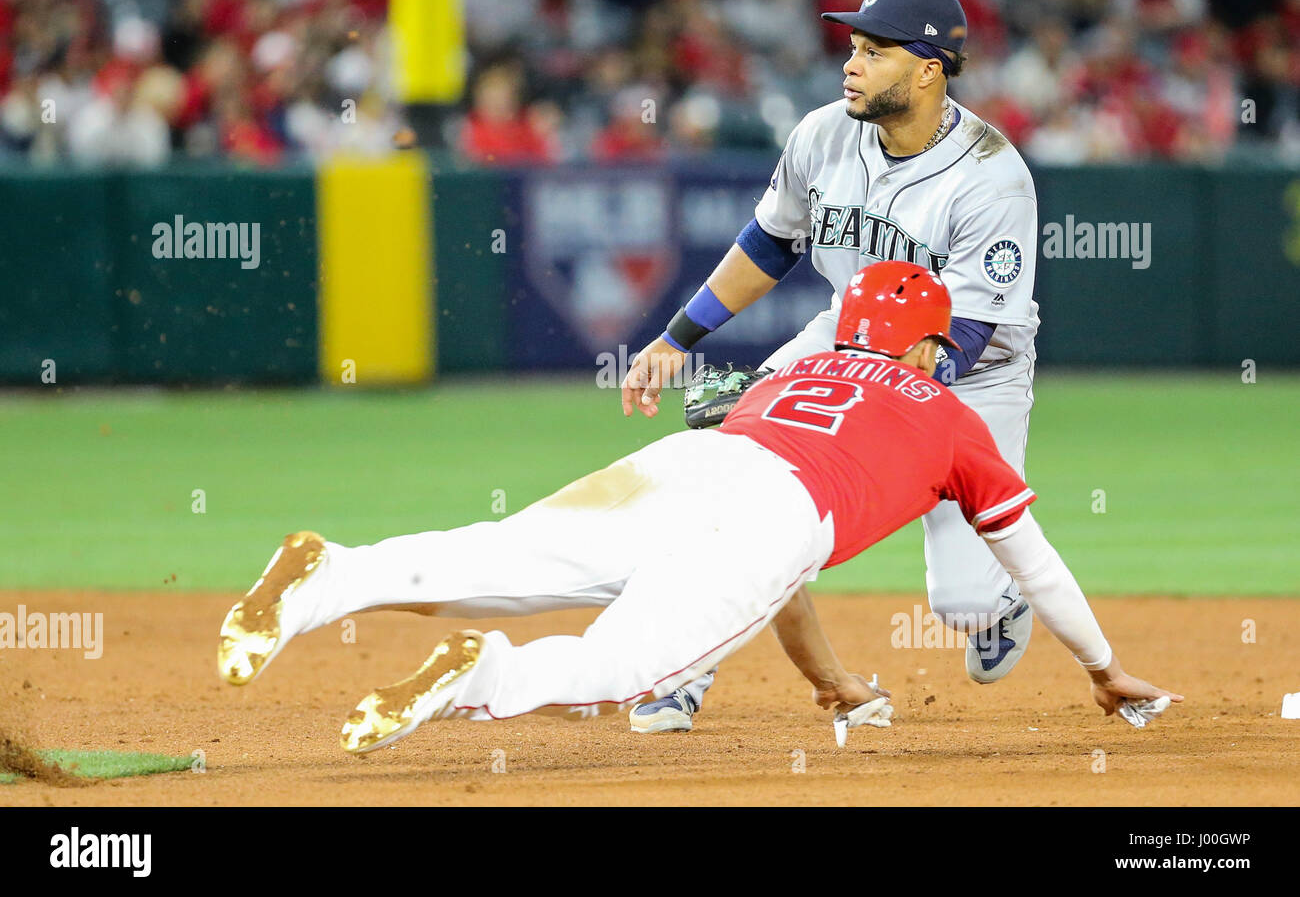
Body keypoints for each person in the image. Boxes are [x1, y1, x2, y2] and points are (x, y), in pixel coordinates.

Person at [216, 263, 1181, 755]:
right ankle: (482, 677)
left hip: (695, 456)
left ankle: (332, 573)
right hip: (775, 514)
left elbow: (779, 582)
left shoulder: (795, 370)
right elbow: (1035, 566)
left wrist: (832, 682)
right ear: (927, 348)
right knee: (618, 667)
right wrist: (1105, 669)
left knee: (499, 557)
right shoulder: (950, 416)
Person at [621, 0, 1044, 734]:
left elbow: (967, 334)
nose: (850, 64)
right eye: (852, 47)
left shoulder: (992, 177)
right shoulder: (823, 133)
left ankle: (999, 605)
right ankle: (679, 669)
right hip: (844, 334)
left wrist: (867, 400)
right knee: (735, 472)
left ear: (928, 70)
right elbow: (771, 242)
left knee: (963, 602)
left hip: (974, 373)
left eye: (874, 51)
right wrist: (676, 337)